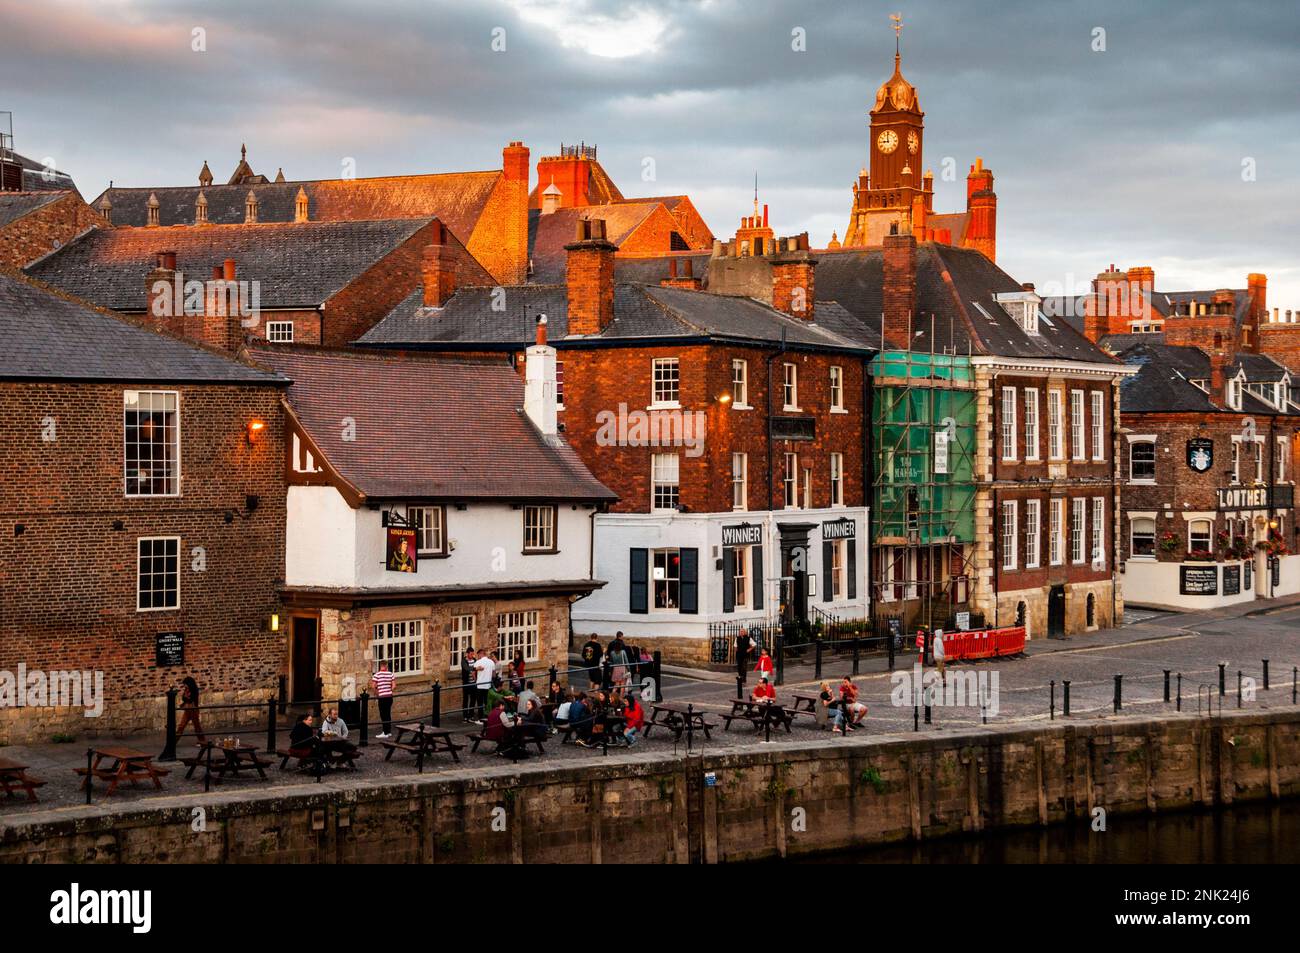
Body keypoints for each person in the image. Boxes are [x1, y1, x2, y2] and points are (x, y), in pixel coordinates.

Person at [176, 676, 207, 745]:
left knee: (197, 726)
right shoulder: (186, 690)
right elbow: (183, 698)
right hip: (187, 710)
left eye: (185, 684)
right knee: (181, 725)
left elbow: (191, 699)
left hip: (193, 710)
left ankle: (202, 741)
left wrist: (186, 698)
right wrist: (185, 698)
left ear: (189, 683)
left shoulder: (195, 690)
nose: (184, 686)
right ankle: (174, 741)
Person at [370, 661, 395, 739]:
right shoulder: (391, 674)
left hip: (382, 697)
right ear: (386, 665)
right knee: (388, 714)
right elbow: (394, 685)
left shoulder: (377, 675)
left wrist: (377, 693)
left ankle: (385, 732)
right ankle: (388, 731)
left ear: (380, 665)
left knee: (383, 715)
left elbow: (373, 686)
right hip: (389, 696)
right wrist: (389, 690)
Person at [472, 649, 497, 722]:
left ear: (480, 654)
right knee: (487, 702)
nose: (478, 656)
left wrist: (476, 680)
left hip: (479, 685)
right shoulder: (491, 662)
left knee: (480, 702)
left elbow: (473, 673)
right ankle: (487, 717)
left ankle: (480, 718)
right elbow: (494, 674)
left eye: (478, 655)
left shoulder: (478, 662)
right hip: (488, 685)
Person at [461, 647, 477, 722]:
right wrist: (475, 669)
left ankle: (471, 715)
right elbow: (467, 668)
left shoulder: (475, 660)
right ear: (467, 654)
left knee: (473, 700)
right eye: (471, 654)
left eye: (473, 654)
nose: (472, 655)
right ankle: (465, 716)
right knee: (465, 699)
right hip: (466, 683)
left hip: (473, 683)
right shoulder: (464, 661)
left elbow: (475, 670)